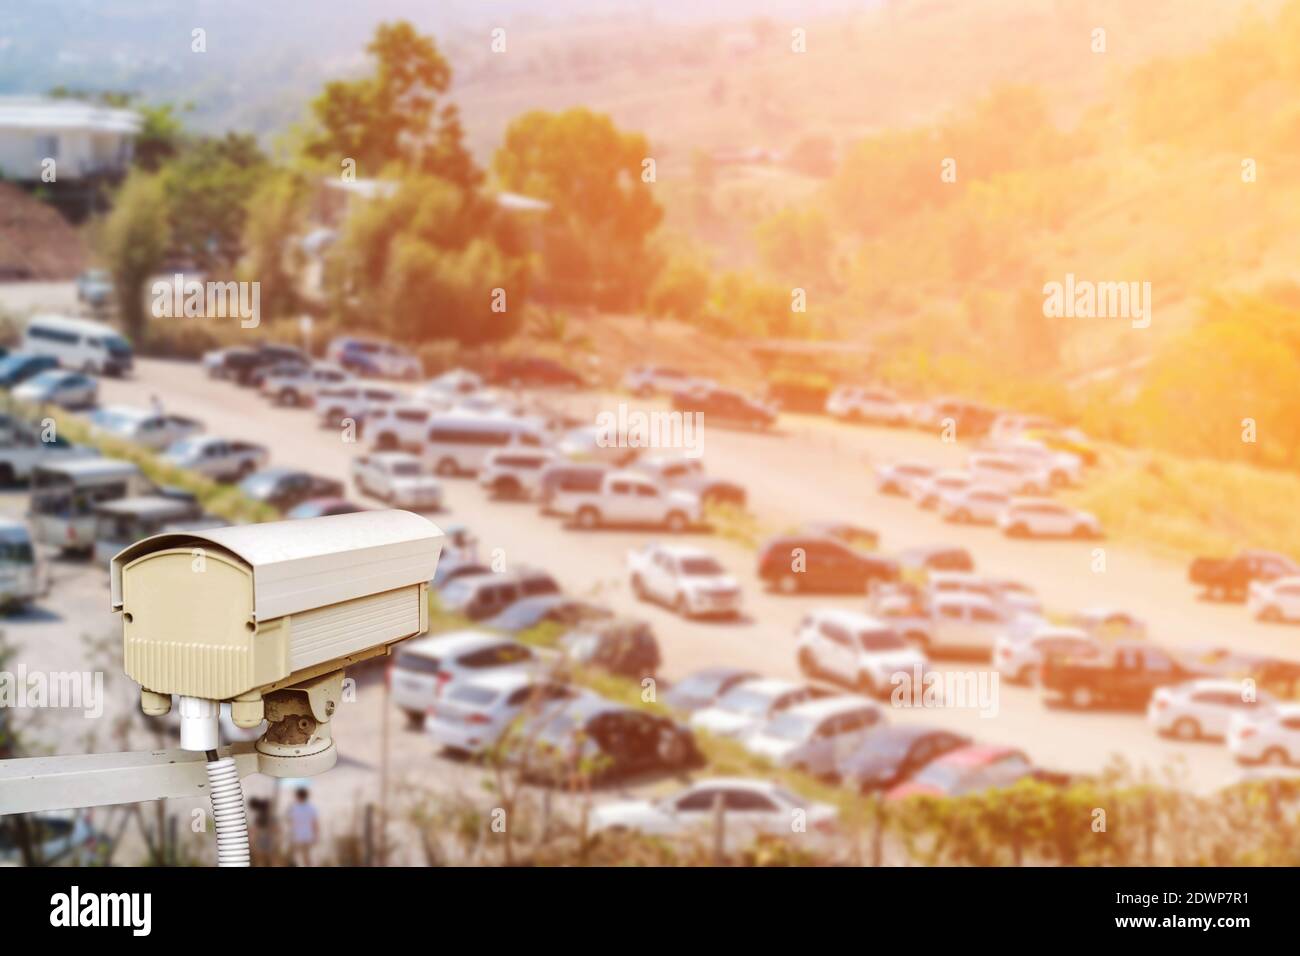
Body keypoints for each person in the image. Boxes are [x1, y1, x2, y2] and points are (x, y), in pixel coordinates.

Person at [287, 788, 319, 866]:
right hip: (308, 835)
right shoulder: (311, 808)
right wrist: (316, 836)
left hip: (296, 835)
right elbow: (315, 823)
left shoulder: (293, 807)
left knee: (294, 857)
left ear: (297, 796)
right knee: (306, 857)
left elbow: (289, 821)